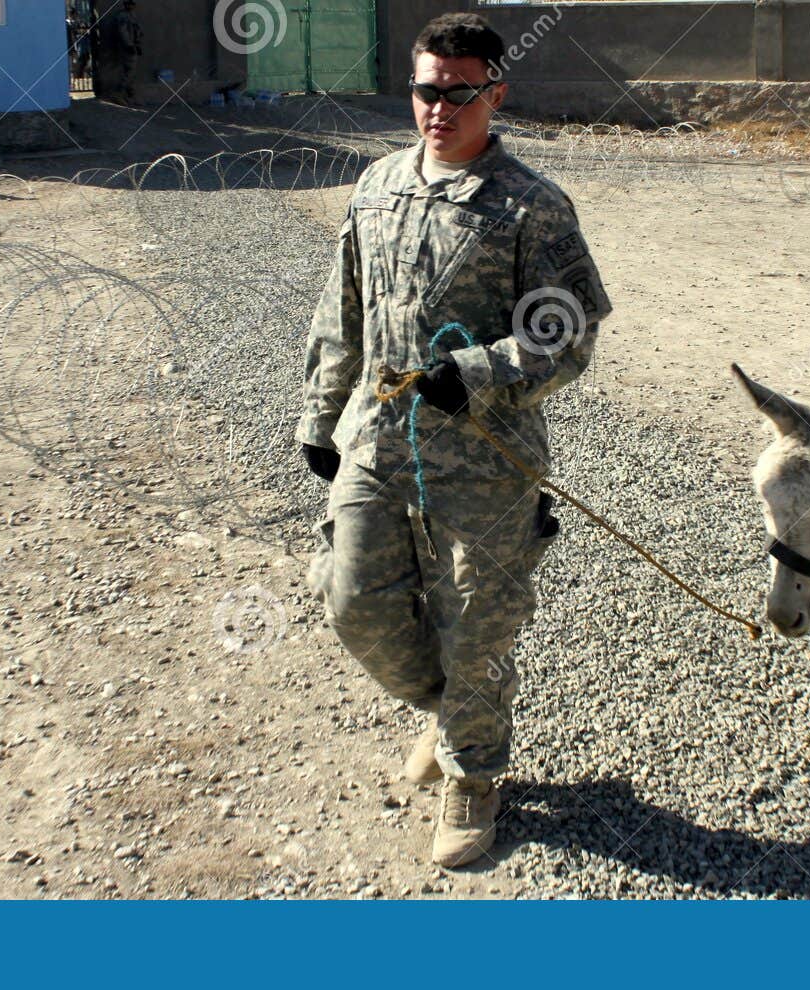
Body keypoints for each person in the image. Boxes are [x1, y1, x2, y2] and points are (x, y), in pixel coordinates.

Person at [297, 12, 611, 868]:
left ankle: (475, 773)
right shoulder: (378, 185)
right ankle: (453, 712)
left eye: (458, 92)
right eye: (426, 90)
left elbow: (569, 332)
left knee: (477, 623)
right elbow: (342, 313)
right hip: (378, 444)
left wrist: (474, 371)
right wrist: (320, 420)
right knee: (353, 598)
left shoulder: (532, 206)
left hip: (484, 458)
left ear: (494, 94)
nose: (438, 107)